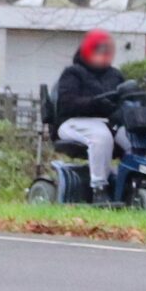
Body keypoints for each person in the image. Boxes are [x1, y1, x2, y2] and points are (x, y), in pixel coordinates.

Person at [53, 29, 129, 202]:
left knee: (132, 138)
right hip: (74, 122)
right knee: (101, 137)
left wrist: (121, 112)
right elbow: (67, 103)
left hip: (108, 123)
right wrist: (94, 103)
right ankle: (99, 188)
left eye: (106, 52)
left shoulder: (115, 76)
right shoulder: (73, 73)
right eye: (98, 52)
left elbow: (123, 101)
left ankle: (133, 183)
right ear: (88, 51)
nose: (103, 56)